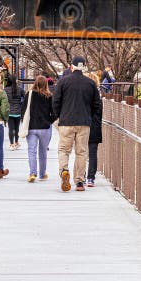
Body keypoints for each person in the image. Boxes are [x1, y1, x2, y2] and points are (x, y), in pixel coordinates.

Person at [53, 56, 102, 192]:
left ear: (71, 66)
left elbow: (55, 101)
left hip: (66, 121)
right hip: (84, 123)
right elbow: (97, 104)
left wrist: (59, 116)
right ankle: (80, 182)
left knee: (64, 150)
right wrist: (89, 117)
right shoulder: (90, 83)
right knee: (81, 152)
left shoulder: (63, 82)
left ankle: (64, 170)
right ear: (84, 67)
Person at [21, 75, 56, 182]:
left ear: (35, 83)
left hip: (31, 127)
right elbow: (54, 112)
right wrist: (49, 121)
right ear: (46, 84)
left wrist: (24, 121)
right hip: (45, 128)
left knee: (32, 151)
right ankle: (42, 174)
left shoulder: (29, 94)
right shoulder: (49, 96)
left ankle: (32, 173)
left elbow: (23, 109)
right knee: (43, 151)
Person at [4, 73, 24, 150]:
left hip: (9, 112)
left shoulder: (5, 90)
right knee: (17, 129)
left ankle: (11, 144)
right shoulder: (20, 89)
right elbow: (25, 98)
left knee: (10, 129)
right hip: (18, 112)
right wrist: (21, 105)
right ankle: (16, 142)